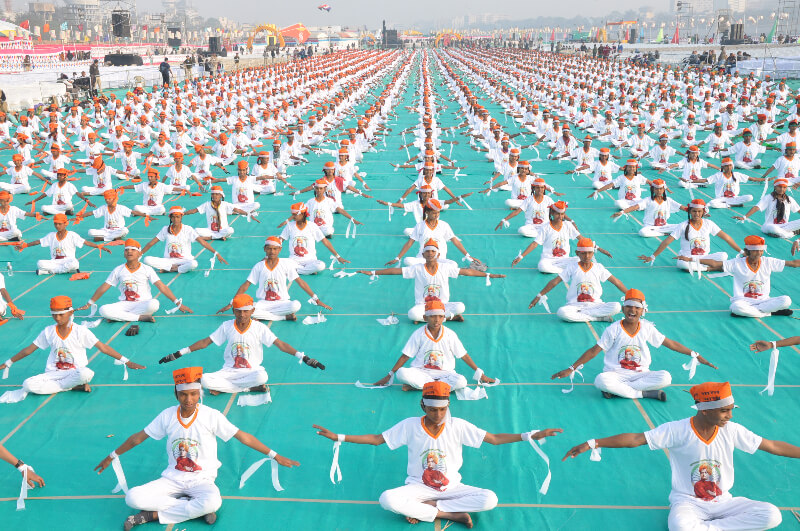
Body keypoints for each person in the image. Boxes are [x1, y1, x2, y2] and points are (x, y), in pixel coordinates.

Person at [314, 381, 562, 527]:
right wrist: (339, 437)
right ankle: (447, 513)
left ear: (448, 406)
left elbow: (495, 439)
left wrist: (530, 435)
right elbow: (378, 439)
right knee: (386, 500)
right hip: (418, 486)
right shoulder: (410, 425)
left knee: (490, 499)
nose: (438, 414)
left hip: (453, 487)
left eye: (442, 409)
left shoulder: (459, 425)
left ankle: (424, 508)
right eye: (433, 410)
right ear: (423, 405)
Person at [562, 381, 794, 531]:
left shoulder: (732, 430)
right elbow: (636, 439)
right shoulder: (676, 430)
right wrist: (593, 443)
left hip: (725, 503)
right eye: (725, 410)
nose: (730, 416)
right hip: (688, 503)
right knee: (680, 527)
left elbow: (772, 446)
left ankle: (712, 528)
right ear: (705, 410)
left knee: (772, 515)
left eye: (732, 409)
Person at [93, 366, 299, 530]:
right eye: (184, 395)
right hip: (172, 478)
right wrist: (112, 455)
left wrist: (274, 455)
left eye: (193, 394)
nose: (189, 400)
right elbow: (138, 438)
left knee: (212, 502)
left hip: (202, 479)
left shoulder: (211, 415)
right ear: (176, 394)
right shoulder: (166, 415)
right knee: (133, 497)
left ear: (199, 393)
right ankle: (193, 509)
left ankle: (152, 516)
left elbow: (243, 437)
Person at [550, 289, 716, 400]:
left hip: (640, 374)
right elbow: (594, 350)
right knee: (601, 380)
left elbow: (670, 343)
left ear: (643, 310)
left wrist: (695, 355)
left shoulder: (647, 328)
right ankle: (643, 394)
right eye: (628, 306)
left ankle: (619, 391)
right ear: (623, 309)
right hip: (616, 374)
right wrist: (571, 368)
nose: (632, 310)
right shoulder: (613, 329)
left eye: (637, 307)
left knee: (666, 377)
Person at [157, 294, 324, 395]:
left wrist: (304, 357)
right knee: (205, 380)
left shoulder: (259, 327)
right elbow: (205, 342)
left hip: (251, 371)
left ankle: (234, 388)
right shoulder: (226, 326)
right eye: (238, 311)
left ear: (252, 311)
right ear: (233, 311)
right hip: (229, 371)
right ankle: (248, 389)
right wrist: (178, 353)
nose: (242, 314)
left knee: (262, 376)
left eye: (246, 311)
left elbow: (280, 344)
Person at [0, 296, 143, 401]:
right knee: (27, 385)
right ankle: (71, 387)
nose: (57, 318)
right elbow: (29, 349)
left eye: (61, 314)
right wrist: (8, 363)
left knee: (87, 373)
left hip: (75, 372)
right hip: (53, 373)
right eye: (54, 314)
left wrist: (127, 361)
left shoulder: (80, 331)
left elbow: (103, 347)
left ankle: (68, 385)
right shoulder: (48, 331)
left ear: (70, 313)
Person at [361, 239, 504, 322]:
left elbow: (466, 271)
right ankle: (446, 318)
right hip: (423, 306)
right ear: (422, 254)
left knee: (461, 307)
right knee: (412, 314)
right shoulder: (417, 268)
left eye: (433, 252)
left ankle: (433, 318)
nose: (430, 254)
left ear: (438, 254)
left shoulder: (445, 267)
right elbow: (395, 271)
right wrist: (373, 272)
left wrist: (488, 275)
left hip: (443, 305)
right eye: (427, 252)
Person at [370, 300, 496, 391]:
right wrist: (389, 375)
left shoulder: (450, 334)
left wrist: (480, 373)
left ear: (444, 318)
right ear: (425, 318)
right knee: (401, 374)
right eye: (432, 317)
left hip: (445, 374)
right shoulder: (418, 334)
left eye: (440, 317)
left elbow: (463, 355)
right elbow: (405, 356)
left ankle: (420, 386)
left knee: (461, 382)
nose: (436, 320)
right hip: (421, 371)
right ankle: (436, 386)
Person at [76, 239, 192, 326]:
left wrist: (178, 304)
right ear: (124, 253)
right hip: (124, 304)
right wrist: (89, 303)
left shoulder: (147, 269)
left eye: (133, 250)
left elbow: (162, 287)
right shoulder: (118, 269)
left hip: (143, 303)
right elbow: (104, 288)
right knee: (103, 310)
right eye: (126, 250)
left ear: (139, 253)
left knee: (154, 304)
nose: (129, 252)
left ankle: (120, 317)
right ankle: (139, 318)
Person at [216, 236, 331, 321]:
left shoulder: (285, 265)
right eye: (269, 249)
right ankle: (283, 317)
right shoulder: (259, 266)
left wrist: (316, 299)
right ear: (265, 249)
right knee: (245, 311)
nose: (272, 251)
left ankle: (264, 316)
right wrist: (232, 303)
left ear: (279, 250)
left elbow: (300, 282)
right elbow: (246, 285)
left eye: (275, 249)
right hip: (263, 303)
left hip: (283, 303)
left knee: (296, 305)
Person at [680, 235, 797, 318]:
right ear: (748, 251)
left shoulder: (768, 261)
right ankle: (771, 312)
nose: (759, 254)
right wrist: (692, 259)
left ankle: (760, 312)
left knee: (786, 300)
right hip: (743, 302)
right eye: (756, 251)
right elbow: (715, 264)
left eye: (761, 251)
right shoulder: (737, 263)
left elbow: (792, 263)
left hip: (764, 301)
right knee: (736, 308)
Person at [529, 238, 627, 322]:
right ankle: (598, 318)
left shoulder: (598, 267)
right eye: (584, 253)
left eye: (589, 253)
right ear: (577, 253)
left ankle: (585, 315)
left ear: (593, 253)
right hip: (575, 305)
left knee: (617, 306)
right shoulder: (572, 267)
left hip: (596, 305)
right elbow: (555, 282)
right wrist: (539, 295)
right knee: (561, 313)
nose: (587, 256)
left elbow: (616, 281)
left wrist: (630, 295)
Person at [639, 199, 741, 273]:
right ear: (690, 212)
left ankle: (702, 266)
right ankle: (711, 268)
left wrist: (741, 252)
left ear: (703, 212)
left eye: (699, 211)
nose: (696, 214)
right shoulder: (683, 225)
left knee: (724, 255)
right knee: (681, 263)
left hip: (705, 258)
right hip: (688, 258)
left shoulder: (709, 223)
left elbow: (727, 238)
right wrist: (652, 256)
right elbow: (667, 242)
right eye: (694, 211)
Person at [512, 201, 612, 274]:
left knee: (579, 260)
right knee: (542, 267)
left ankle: (568, 269)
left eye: (562, 214)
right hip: (548, 260)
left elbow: (582, 239)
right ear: (552, 213)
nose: (560, 216)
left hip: (565, 259)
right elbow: (535, 244)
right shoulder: (546, 227)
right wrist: (521, 256)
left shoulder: (568, 225)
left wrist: (599, 248)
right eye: (557, 214)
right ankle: (568, 271)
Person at [140, 206, 227, 274]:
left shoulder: (188, 229)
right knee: (146, 259)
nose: (175, 219)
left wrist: (216, 253)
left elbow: (202, 242)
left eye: (177, 217)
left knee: (194, 264)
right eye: (173, 217)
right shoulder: (165, 229)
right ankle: (174, 268)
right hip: (169, 260)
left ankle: (173, 269)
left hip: (184, 260)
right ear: (170, 218)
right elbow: (151, 243)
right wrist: (140, 254)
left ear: (181, 217)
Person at [16, 213, 110, 275]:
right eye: (56, 224)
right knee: (40, 263)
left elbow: (85, 242)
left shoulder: (72, 235)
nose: (57, 226)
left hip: (68, 261)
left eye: (60, 224)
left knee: (75, 263)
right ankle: (60, 270)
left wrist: (98, 246)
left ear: (65, 224)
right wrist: (25, 245)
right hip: (55, 262)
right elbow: (38, 241)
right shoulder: (51, 235)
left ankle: (49, 271)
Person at [277, 202, 349, 274]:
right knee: (281, 264)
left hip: (310, 260)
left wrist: (338, 256)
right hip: (294, 260)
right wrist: (268, 256)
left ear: (302, 214)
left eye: (295, 215)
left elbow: (325, 242)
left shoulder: (312, 226)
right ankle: (306, 270)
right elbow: (279, 241)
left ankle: (296, 270)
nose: (293, 217)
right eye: (292, 215)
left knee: (320, 265)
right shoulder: (289, 226)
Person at [735, 179, 800, 239]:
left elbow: (798, 210)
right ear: (775, 187)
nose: (782, 189)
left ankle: (781, 234)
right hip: (770, 226)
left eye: (784, 187)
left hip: (785, 226)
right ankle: (792, 233)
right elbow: (757, 207)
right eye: (779, 187)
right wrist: (744, 217)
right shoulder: (769, 197)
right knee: (773, 229)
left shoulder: (789, 199)